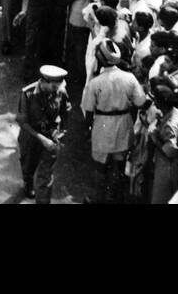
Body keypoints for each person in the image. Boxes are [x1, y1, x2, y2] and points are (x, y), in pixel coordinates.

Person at [80, 40, 146, 203]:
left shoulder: (95, 83)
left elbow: (88, 109)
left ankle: (97, 198)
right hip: (124, 123)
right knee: (118, 164)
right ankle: (112, 198)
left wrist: (87, 129)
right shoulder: (129, 78)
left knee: (99, 166)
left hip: (102, 125)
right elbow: (140, 102)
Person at [17, 65, 68, 204]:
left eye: (58, 86)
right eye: (53, 87)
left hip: (51, 137)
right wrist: (42, 139)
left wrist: (61, 133)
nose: (56, 90)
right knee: (28, 166)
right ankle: (28, 183)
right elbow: (23, 122)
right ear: (44, 82)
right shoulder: (27, 94)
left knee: (45, 178)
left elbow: (65, 112)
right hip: (31, 136)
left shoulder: (61, 91)